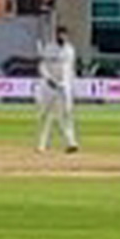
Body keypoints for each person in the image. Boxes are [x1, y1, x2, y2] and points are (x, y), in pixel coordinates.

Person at [34, 25, 82, 154]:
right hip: (49, 86)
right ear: (56, 35)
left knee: (66, 114)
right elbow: (42, 66)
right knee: (45, 115)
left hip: (64, 86)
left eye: (64, 35)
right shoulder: (49, 48)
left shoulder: (70, 50)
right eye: (60, 34)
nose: (62, 37)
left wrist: (70, 85)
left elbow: (70, 69)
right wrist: (48, 78)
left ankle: (71, 143)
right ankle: (41, 144)